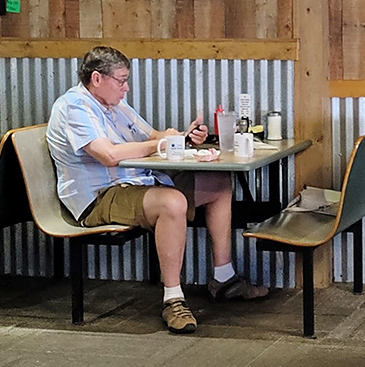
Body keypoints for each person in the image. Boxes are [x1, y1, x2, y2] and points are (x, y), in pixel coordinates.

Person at [46, 46, 267, 334]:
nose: (126, 88)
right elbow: (108, 155)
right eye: (121, 80)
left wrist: (184, 138)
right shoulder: (74, 107)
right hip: (98, 197)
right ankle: (172, 299)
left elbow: (153, 136)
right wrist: (161, 146)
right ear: (97, 79)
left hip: (136, 183)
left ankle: (223, 279)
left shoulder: (114, 105)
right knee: (172, 203)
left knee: (218, 184)